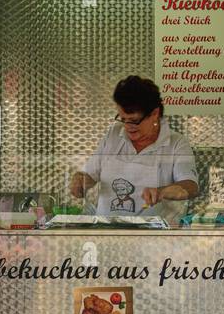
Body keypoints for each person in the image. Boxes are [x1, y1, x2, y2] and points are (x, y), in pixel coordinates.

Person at [69, 75, 198, 217]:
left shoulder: (176, 143)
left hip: (152, 235)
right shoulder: (114, 135)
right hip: (106, 231)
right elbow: (90, 174)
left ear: (155, 114)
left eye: (134, 120)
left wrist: (162, 191)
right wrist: (80, 180)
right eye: (123, 119)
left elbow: (190, 186)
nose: (128, 126)